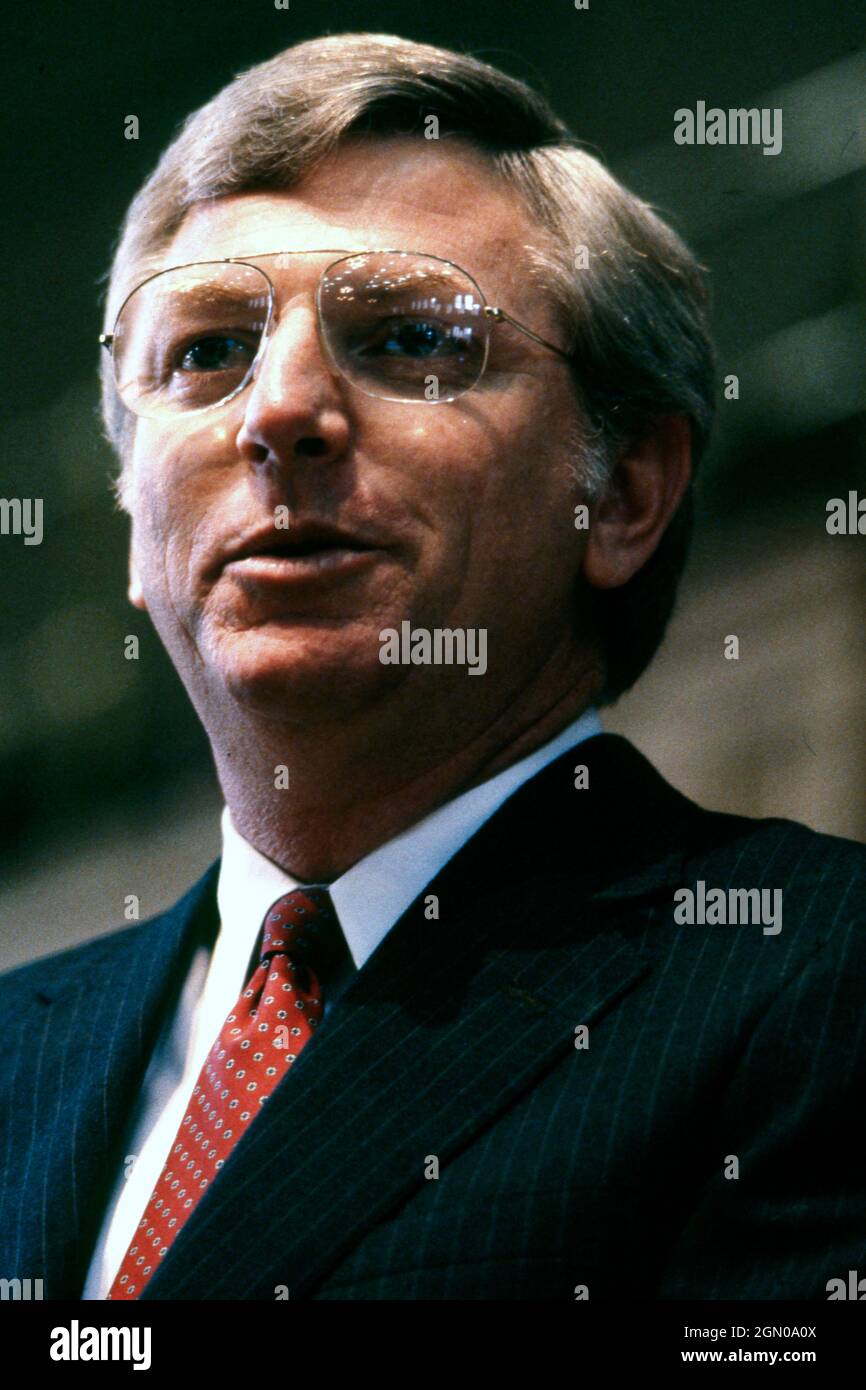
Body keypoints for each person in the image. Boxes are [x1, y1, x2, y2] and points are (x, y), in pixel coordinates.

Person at [1, 32, 863, 1303]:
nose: (276, 411)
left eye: (409, 336)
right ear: (133, 519)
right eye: (204, 351)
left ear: (620, 495)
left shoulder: (816, 978)